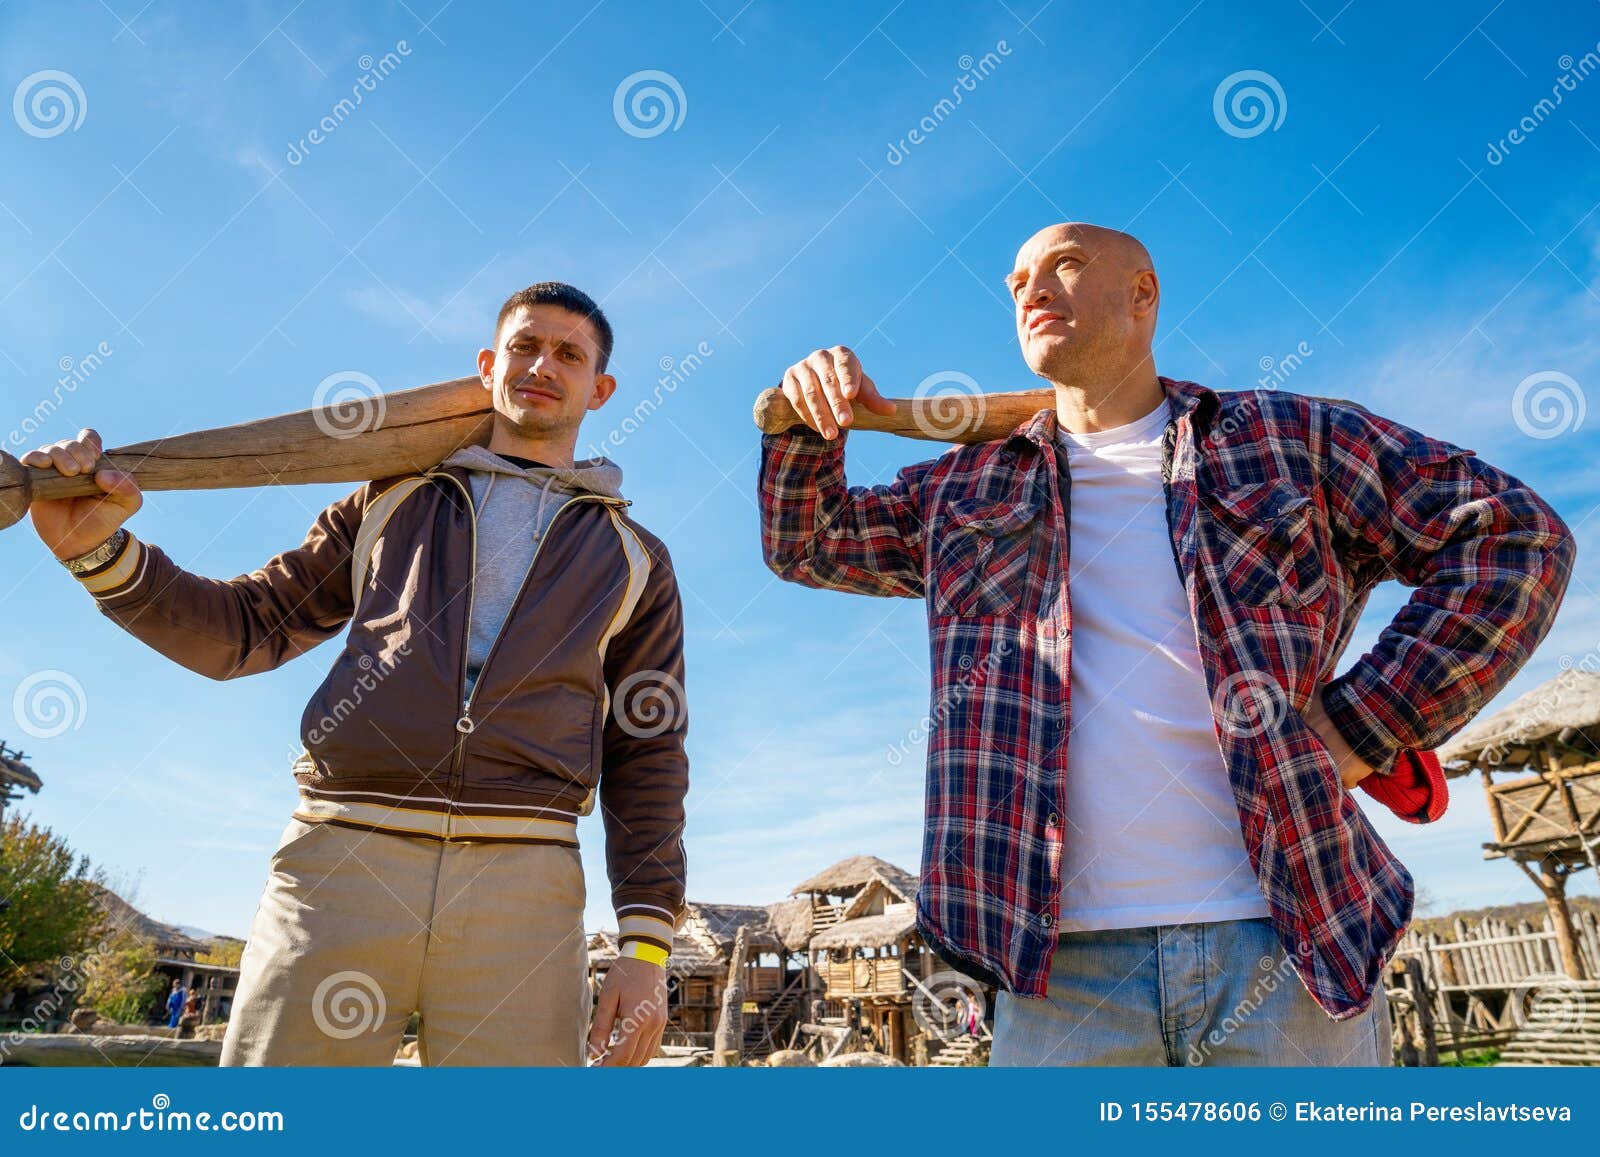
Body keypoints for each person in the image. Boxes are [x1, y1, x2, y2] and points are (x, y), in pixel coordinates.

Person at [757, 222, 1574, 1066]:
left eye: (1065, 265)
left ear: (1142, 293)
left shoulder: (1290, 441)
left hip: (1288, 945)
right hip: (1054, 975)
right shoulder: (965, 487)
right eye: (1016, 282)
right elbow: (807, 541)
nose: (1030, 290)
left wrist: (1368, 722)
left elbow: (1517, 539)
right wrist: (807, 421)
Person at [25, 282, 688, 1067]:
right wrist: (98, 556)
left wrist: (645, 950)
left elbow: (650, 752)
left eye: (569, 354)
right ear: (487, 365)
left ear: (599, 389)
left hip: (527, 884)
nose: (543, 364)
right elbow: (249, 627)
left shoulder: (635, 558)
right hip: (341, 863)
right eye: (524, 345)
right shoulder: (389, 498)